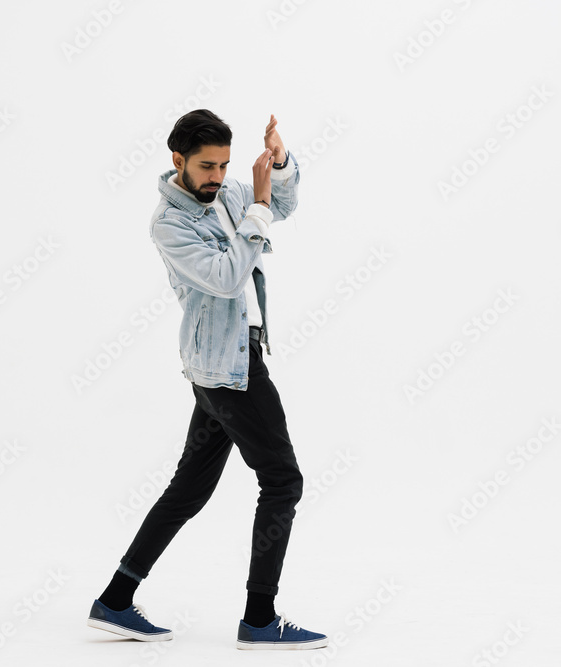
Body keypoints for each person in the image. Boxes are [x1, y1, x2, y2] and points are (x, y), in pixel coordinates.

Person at [87, 109, 327, 650]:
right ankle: (260, 620)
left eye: (224, 165)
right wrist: (259, 205)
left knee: (189, 489)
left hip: (223, 365)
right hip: (228, 371)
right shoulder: (168, 224)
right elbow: (226, 278)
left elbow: (281, 206)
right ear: (178, 161)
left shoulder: (229, 194)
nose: (218, 176)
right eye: (206, 166)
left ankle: (115, 600)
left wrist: (278, 163)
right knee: (283, 481)